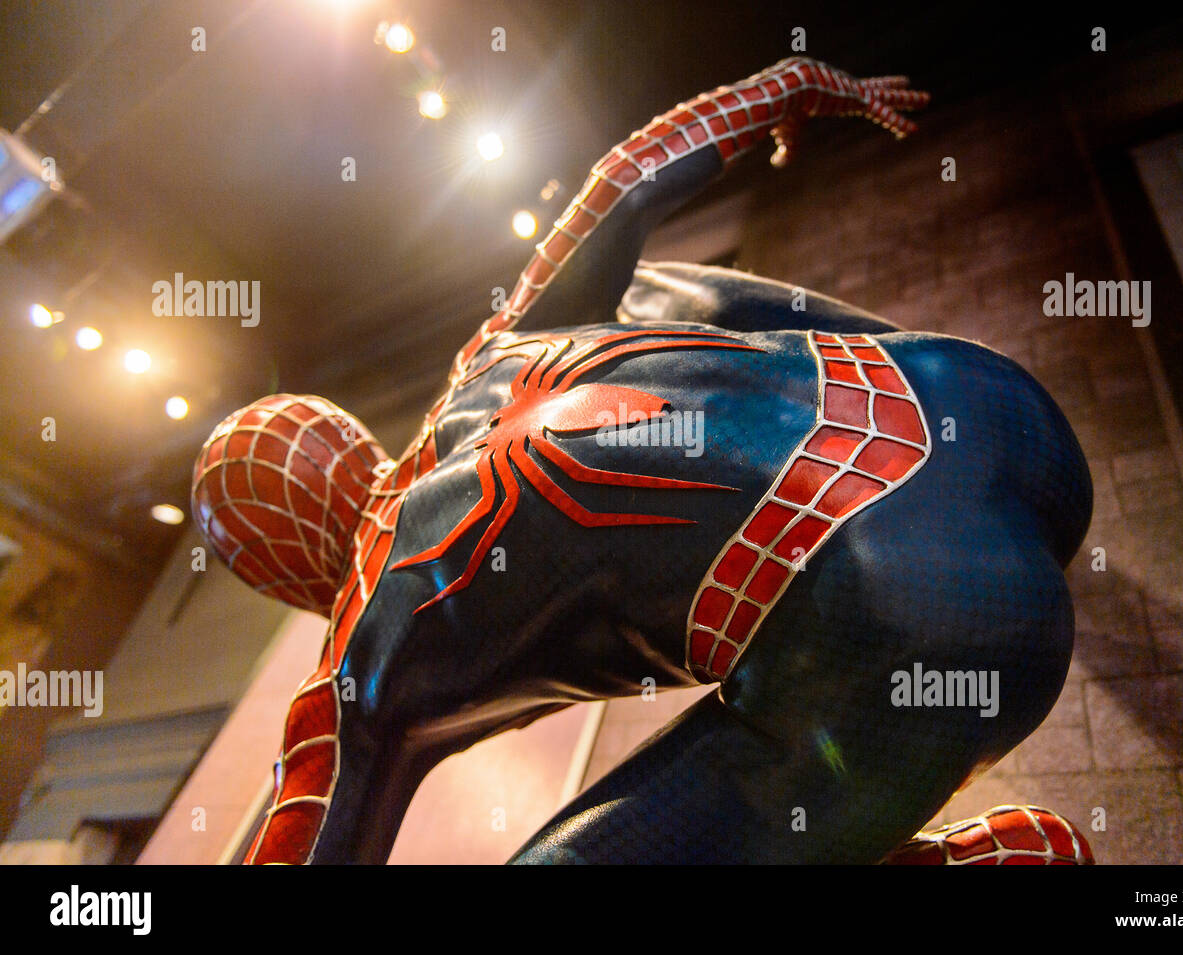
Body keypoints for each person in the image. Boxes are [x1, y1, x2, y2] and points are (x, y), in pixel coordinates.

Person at [192, 57, 1095, 864]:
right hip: (984, 406)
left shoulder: (359, 658)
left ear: (278, 575)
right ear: (348, 438)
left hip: (917, 620)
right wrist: (794, 85)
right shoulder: (494, 347)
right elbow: (621, 178)